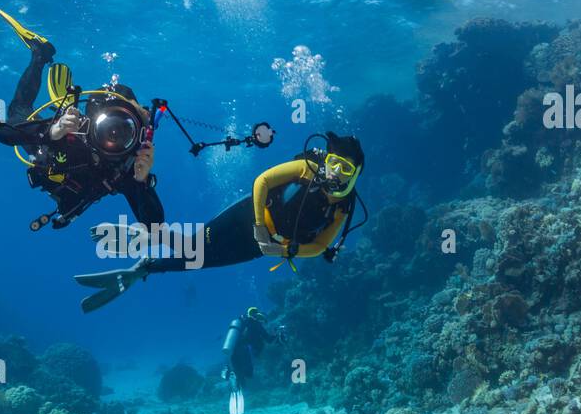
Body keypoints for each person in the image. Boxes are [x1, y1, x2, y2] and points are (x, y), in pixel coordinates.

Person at [74, 131, 366, 312]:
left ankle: (143, 268)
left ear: (354, 174)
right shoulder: (307, 168)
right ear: (325, 160)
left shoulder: (344, 205)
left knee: (198, 261)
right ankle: (147, 235)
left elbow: (320, 244)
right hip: (247, 217)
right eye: (333, 163)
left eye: (345, 168)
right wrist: (260, 228)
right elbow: (262, 181)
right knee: (193, 246)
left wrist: (287, 251)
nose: (335, 172)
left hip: (266, 246)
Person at [0, 10, 162, 229]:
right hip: (53, 155)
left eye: (125, 127)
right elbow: (3, 132)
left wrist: (141, 183)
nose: (114, 133)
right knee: (20, 111)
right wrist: (51, 132)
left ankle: (44, 61)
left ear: (137, 128)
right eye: (109, 124)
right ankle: (39, 56)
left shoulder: (127, 165)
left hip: (75, 188)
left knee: (21, 109)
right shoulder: (77, 132)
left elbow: (155, 225)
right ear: (94, 120)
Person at [222, 306, 272, 414]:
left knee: (239, 373)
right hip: (243, 351)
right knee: (248, 373)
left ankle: (233, 378)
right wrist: (277, 336)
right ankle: (236, 380)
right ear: (256, 315)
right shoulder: (255, 325)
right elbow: (267, 339)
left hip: (233, 351)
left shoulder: (241, 323)